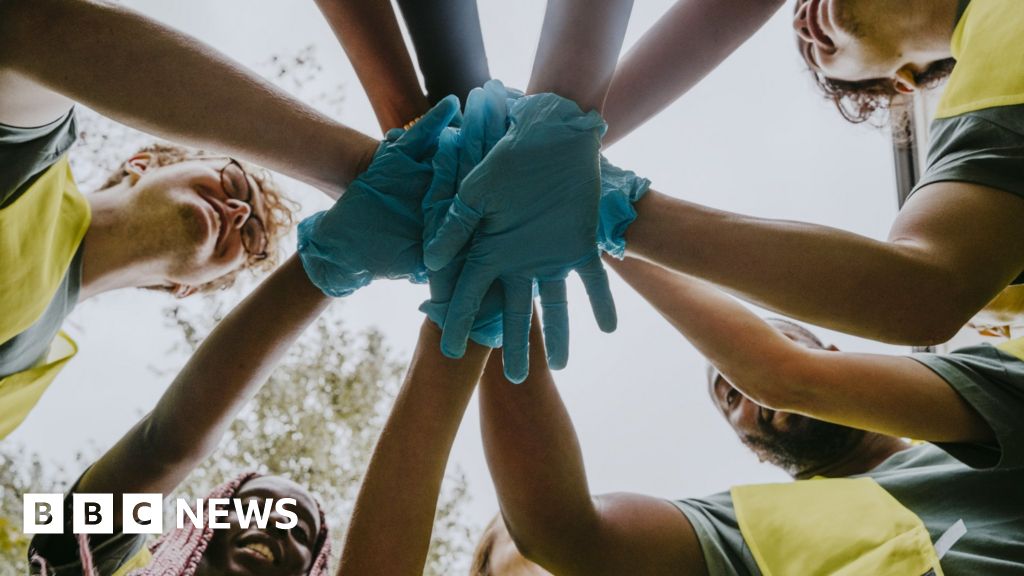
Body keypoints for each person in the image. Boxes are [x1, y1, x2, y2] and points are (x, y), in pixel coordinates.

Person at [26, 98, 459, 575]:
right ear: (195, 529)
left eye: (300, 534)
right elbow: (163, 447)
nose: (274, 526)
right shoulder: (99, 562)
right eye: (251, 507)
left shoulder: (30, 363)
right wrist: (330, 264)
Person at [0, 0, 430, 438]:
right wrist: (357, 171)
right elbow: (34, 28)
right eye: (233, 181)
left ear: (188, 287)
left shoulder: (38, 370)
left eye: (252, 238)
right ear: (143, 162)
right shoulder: (32, 161)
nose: (240, 212)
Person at [468, 254, 1024, 575]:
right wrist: (499, 292)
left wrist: (605, 229)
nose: (747, 386)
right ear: (747, 445)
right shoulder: (749, 534)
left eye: (750, 359)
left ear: (836, 358)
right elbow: (562, 531)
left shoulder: (985, 387)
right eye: (729, 397)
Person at [584, 0, 1024, 350]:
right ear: (901, 85)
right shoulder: (978, 111)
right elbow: (924, 289)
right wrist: (616, 210)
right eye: (814, 50)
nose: (799, 19)